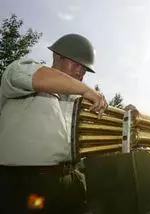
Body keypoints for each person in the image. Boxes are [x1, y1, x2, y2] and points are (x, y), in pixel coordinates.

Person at [0, 34, 108, 214]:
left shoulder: (78, 101)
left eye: (85, 69)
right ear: (56, 56)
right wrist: (87, 90)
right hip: (24, 183)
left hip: (70, 181)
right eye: (76, 63)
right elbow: (41, 78)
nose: (81, 72)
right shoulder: (20, 70)